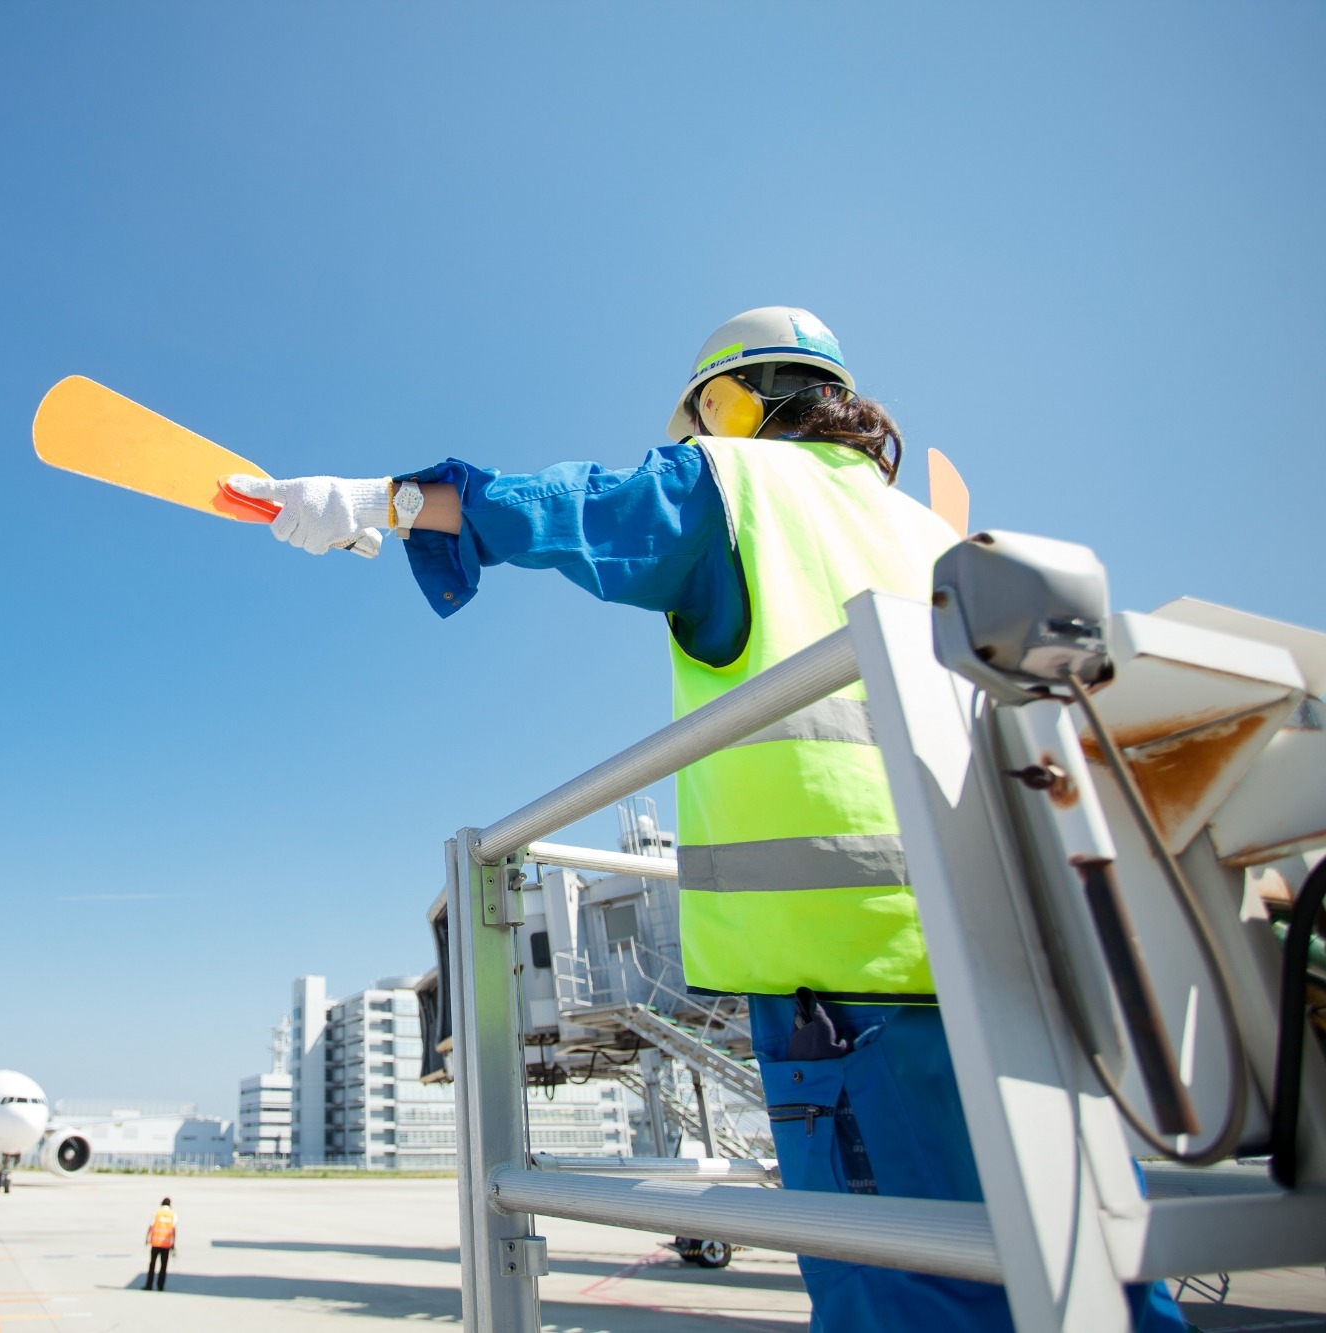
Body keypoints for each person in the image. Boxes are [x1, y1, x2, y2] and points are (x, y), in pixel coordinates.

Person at [224, 307, 1187, 1333]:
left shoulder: (731, 483)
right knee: (1101, 1286)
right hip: (1031, 970)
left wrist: (384, 501)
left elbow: (571, 509)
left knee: (905, 1298)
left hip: (847, 986)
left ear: (724, 404)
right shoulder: (940, 533)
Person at [143, 1195, 176, 1292]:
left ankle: (149, 1285)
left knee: (152, 1265)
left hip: (155, 1243)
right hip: (166, 1245)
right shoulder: (173, 1214)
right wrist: (173, 1242)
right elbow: (174, 1229)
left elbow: (151, 1225)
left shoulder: (157, 1213)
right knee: (163, 1266)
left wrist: (147, 1238)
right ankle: (160, 1286)